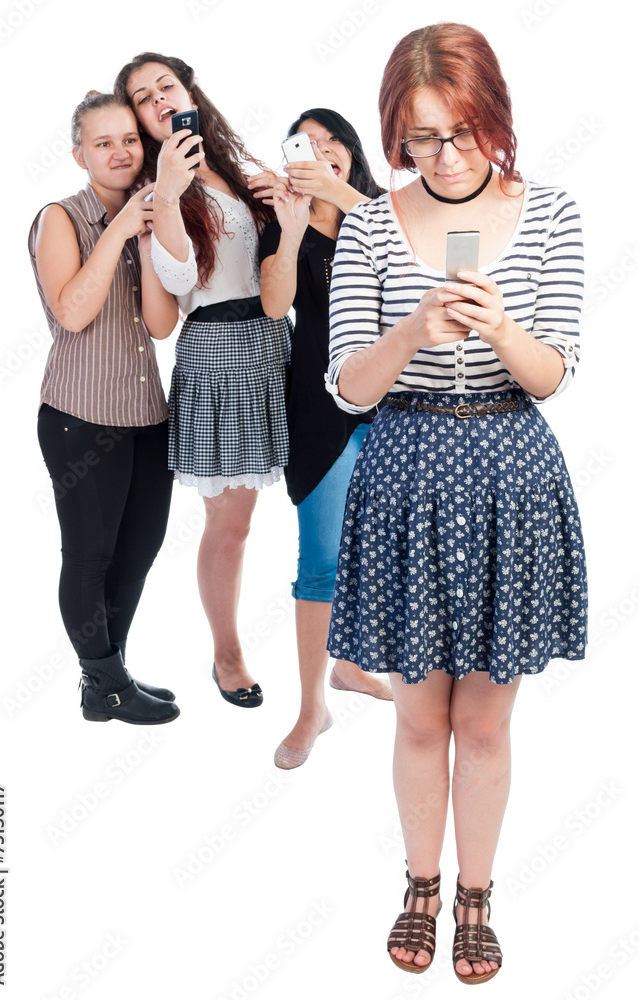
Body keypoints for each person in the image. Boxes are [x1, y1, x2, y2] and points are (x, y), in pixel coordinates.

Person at [325, 24, 587, 983]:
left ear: (496, 120)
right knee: (416, 717)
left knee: (484, 722)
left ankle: (476, 894)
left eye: (464, 134)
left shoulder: (550, 213)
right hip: (403, 475)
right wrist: (413, 329)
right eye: (424, 137)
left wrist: (501, 327)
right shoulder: (367, 223)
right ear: (395, 130)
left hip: (512, 478)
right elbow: (348, 386)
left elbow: (554, 373)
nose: (445, 156)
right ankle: (420, 884)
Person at [114, 53, 291, 708]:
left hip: (274, 341)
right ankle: (227, 651)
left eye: (167, 86)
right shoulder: (157, 192)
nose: (158, 99)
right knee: (231, 522)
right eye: (142, 97)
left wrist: (278, 200)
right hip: (217, 353)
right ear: (135, 118)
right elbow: (180, 286)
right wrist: (164, 188)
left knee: (270, 508)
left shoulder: (230, 170)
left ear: (189, 92)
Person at [30, 92, 180, 725]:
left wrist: (149, 237)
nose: (120, 152)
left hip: (146, 413)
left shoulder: (150, 215)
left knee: (140, 548)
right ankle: (105, 681)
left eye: (129, 139)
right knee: (89, 554)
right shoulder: (61, 217)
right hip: (79, 415)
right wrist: (120, 226)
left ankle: (108, 674)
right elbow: (72, 312)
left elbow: (159, 325)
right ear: (79, 154)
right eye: (103, 143)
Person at [259, 108, 391, 768]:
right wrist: (288, 229)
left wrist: (344, 198)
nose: (323, 149)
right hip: (321, 412)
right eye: (307, 143)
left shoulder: (389, 212)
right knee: (321, 564)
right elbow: (275, 303)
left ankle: (352, 666)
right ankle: (313, 705)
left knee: (378, 553)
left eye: (332, 138)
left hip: (397, 409)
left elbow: (425, 264)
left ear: (351, 148)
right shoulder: (288, 221)